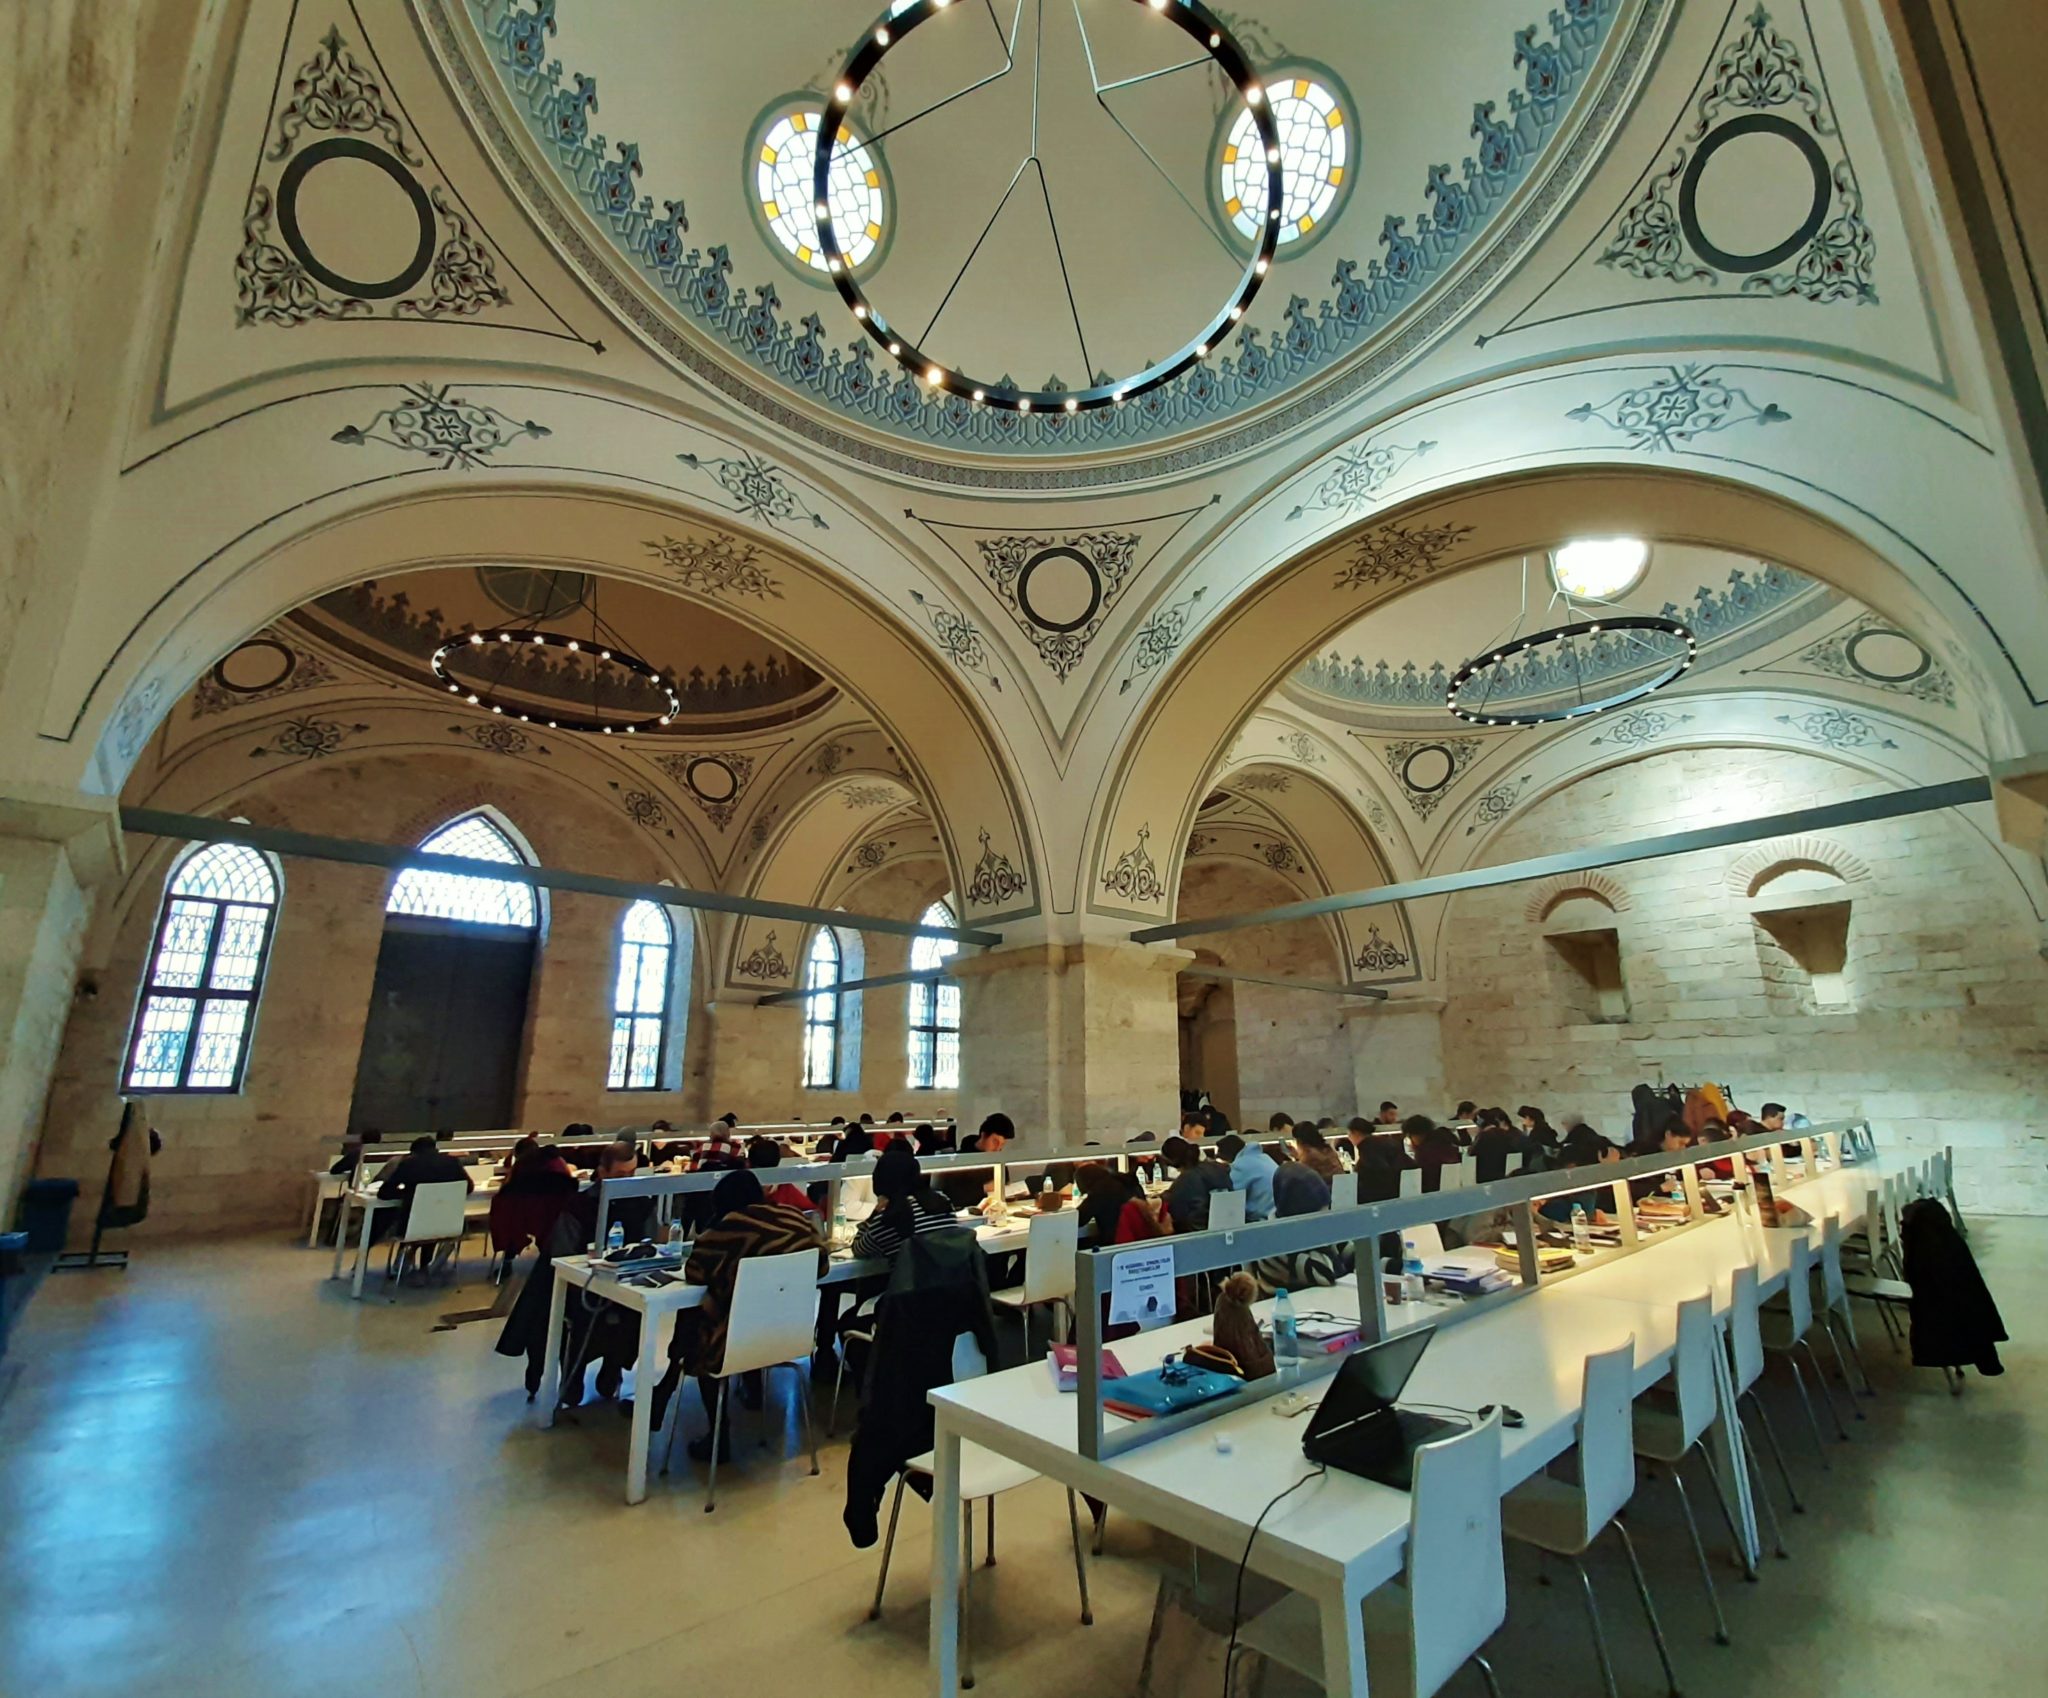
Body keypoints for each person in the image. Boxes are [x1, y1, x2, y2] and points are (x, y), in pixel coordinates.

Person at [649, 1169, 828, 1460]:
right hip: (791, 1337)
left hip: (735, 1344)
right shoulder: (794, 1219)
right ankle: (680, 1390)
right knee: (714, 1313)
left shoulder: (723, 1232)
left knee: (699, 1319)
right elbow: (821, 1267)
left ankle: (715, 1433)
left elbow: (694, 1275)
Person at [374, 1136, 474, 1265]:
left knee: (419, 1223)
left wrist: (409, 1193)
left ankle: (407, 1260)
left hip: (413, 1226)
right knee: (434, 1223)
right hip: (449, 1225)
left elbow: (384, 1193)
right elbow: (469, 1188)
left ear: (413, 1152)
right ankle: (429, 1267)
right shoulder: (453, 1162)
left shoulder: (408, 1164)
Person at [850, 1148, 960, 1259]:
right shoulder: (943, 1203)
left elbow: (857, 1249)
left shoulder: (888, 1220)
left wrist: (874, 1214)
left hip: (911, 1276)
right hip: (951, 1275)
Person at [1159, 1135, 1232, 1232]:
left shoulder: (1184, 1181)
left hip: (1197, 1234)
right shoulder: (1218, 1168)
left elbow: (1177, 1214)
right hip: (1228, 1227)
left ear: (1172, 1162)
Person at [748, 1136, 819, 1214]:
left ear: (748, 1164)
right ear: (778, 1162)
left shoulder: (742, 1192)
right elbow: (813, 1214)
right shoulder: (786, 1189)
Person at [1219, 1133, 1277, 1221]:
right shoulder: (1265, 1157)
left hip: (1261, 1219)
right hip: (1275, 1213)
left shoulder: (1241, 1165)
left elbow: (1231, 1197)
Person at [1471, 1110, 1524, 1184]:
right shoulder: (1506, 1134)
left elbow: (1471, 1152)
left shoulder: (1482, 1136)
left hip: (1484, 1172)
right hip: (1503, 1172)